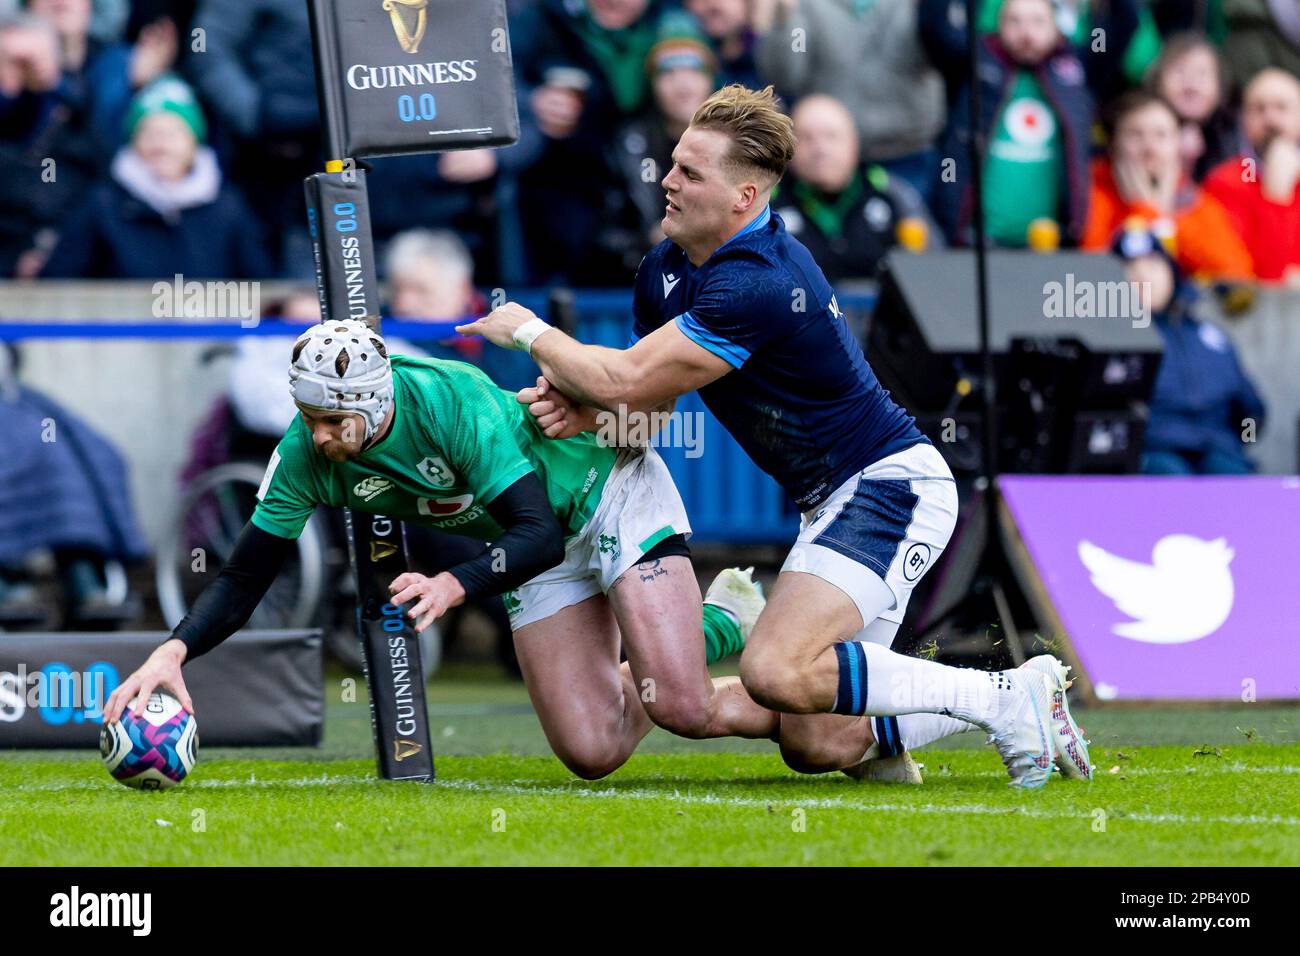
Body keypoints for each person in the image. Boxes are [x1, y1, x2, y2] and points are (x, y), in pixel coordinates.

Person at [459, 84, 1091, 789]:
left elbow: (626, 375)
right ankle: (993, 704)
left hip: (890, 488)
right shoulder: (662, 270)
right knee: (815, 739)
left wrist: (530, 331)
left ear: (745, 196)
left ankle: (1009, 697)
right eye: (672, 164)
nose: (666, 182)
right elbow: (647, 403)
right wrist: (589, 412)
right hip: (832, 501)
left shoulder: (758, 280)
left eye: (690, 174)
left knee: (773, 669)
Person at [103, 320, 773, 781]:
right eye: (310, 419)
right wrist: (174, 648)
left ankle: (722, 625)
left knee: (682, 707)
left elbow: (534, 530)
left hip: (606, 492)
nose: (321, 437)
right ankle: (681, 646)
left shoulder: (449, 402)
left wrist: (453, 585)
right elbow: (247, 573)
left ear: (372, 399)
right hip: (530, 546)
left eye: (333, 420)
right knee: (591, 751)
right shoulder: (305, 452)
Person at [40, 75, 271, 278]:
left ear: (194, 143)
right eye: (149, 132)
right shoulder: (103, 206)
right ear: (134, 142)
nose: (161, 143)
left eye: (173, 133)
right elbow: (57, 284)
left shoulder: (227, 209)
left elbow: (263, 288)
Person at [920, 0, 1095, 248]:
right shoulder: (974, 60)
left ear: (1057, 28)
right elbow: (936, 27)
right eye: (1014, 21)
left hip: (1052, 242)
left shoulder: (1077, 67)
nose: (1026, 32)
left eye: (1038, 21)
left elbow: (1122, 25)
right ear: (997, 26)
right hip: (976, 240)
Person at [753, 0, 945, 205]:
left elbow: (951, 54)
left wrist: (938, 11)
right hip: (829, 160)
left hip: (909, 153)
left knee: (916, 231)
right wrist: (784, 20)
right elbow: (785, 78)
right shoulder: (807, 5)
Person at [1112, 228, 1266, 476]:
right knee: (1171, 479)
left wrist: (1242, 443)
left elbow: (1251, 409)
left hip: (1219, 450)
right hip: (1154, 453)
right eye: (1129, 269)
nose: (1141, 278)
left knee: (1236, 480)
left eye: (1151, 265)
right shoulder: (1113, 340)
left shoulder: (1210, 337)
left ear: (1171, 271)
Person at [1082, 90, 1253, 282]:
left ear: (1176, 145)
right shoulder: (1093, 193)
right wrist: (1143, 209)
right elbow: (1093, 270)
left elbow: (1237, 274)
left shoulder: (1194, 200)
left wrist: (1163, 220)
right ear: (1114, 143)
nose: (1150, 148)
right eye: (1135, 135)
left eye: (1161, 135)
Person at [773, 93, 935, 283]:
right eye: (806, 138)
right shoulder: (767, 202)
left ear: (853, 143)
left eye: (831, 136)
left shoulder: (891, 194)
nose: (820, 149)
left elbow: (928, 271)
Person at [1204, 68, 1300, 285]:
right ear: (1244, 120)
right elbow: (1254, 278)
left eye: (1281, 107)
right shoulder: (1226, 182)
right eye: (1259, 109)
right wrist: (1276, 198)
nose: (1270, 118)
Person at [1147, 32, 1241, 182]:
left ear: (1219, 85)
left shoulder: (1236, 132)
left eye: (1202, 74)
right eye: (1180, 71)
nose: (1191, 83)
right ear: (1158, 81)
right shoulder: (1140, 126)